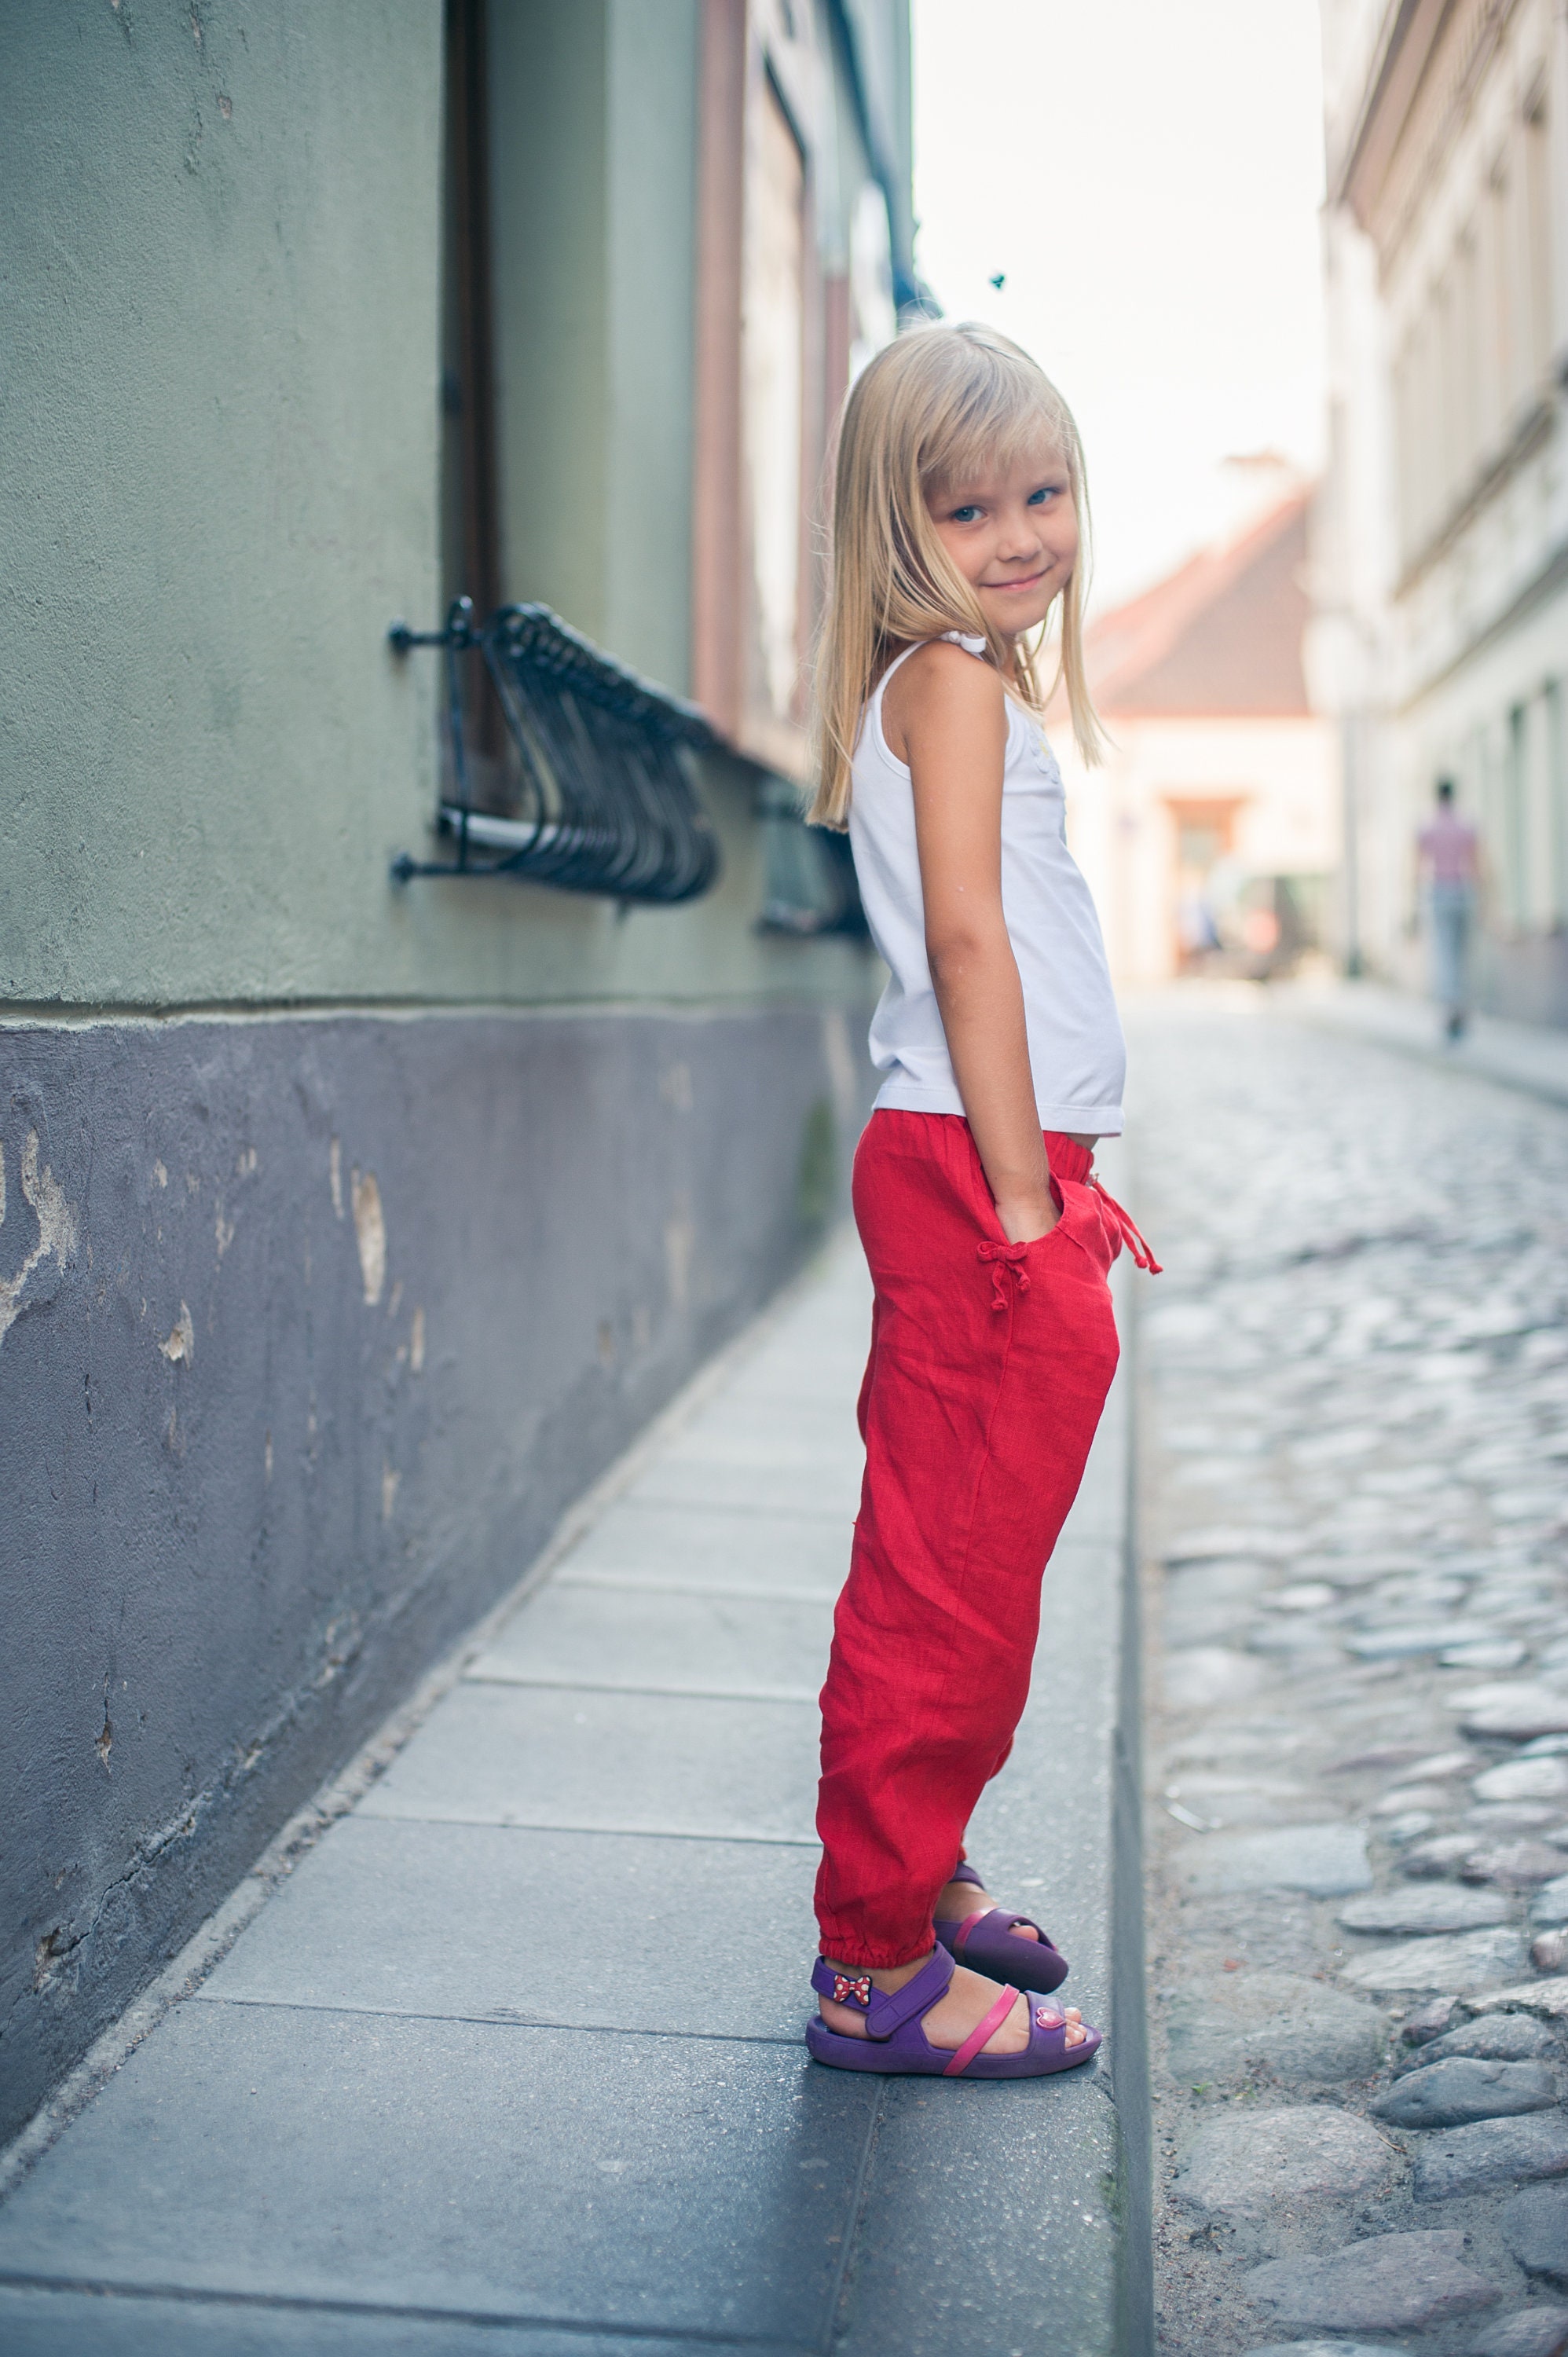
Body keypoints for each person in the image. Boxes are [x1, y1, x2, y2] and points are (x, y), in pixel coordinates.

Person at [803, 324, 1159, 2081]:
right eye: (968, 509)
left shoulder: (960, 681)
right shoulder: (946, 681)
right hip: (975, 1177)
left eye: (1044, 493)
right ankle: (874, 1969)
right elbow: (966, 942)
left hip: (983, 1168)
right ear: (898, 525)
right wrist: (1027, 1207)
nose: (1020, 535)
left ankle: (922, 1874)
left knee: (965, 1561)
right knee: (943, 1586)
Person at [1416, 779, 1480, 1040]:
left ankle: (1449, 1011)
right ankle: (1461, 1009)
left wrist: (1413, 900)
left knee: (1444, 954)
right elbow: (1477, 863)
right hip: (1463, 892)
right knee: (1462, 954)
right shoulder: (1466, 826)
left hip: (1439, 893)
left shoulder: (1428, 827)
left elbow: (1417, 865)